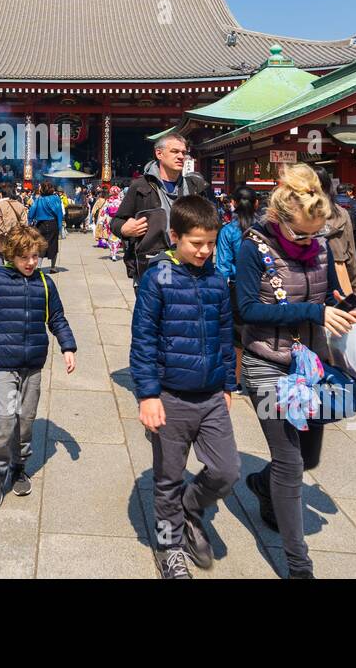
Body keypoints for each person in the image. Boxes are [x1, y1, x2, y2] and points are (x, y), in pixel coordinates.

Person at [236, 164, 356, 579]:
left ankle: (260, 484)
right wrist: (314, 311)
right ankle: (297, 563)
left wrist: (346, 308)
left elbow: (330, 294)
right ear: (280, 219)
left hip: (313, 363)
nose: (311, 240)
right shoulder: (253, 247)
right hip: (267, 363)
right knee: (289, 460)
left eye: (317, 231)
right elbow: (248, 309)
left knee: (309, 458)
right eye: (302, 233)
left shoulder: (321, 246)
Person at [132, 195, 240, 579]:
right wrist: (147, 394)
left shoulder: (215, 277)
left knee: (227, 470)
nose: (205, 250)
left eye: (211, 242)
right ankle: (169, 546)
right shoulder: (156, 279)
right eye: (196, 243)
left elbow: (225, 334)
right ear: (174, 236)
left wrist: (228, 382)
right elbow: (143, 340)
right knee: (167, 480)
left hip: (211, 394)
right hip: (171, 396)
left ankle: (191, 507)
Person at [0, 225, 75, 511]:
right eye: (25, 257)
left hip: (33, 364)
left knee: (27, 418)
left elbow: (56, 317)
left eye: (35, 256)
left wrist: (68, 346)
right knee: (6, 418)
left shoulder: (45, 284)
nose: (31, 262)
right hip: (5, 365)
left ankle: (19, 466)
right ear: (11, 256)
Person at [111, 134, 209, 284]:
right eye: (175, 151)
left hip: (190, 261)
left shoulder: (195, 187)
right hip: (155, 261)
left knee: (184, 305)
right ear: (159, 154)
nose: (181, 156)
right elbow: (116, 221)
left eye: (183, 152)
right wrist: (125, 229)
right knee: (156, 304)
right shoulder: (141, 186)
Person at [313, 167, 356, 289]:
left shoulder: (295, 216)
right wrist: (353, 284)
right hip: (338, 271)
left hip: (306, 274)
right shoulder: (342, 213)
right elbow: (351, 251)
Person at [26, 182, 64, 273]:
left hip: (40, 225)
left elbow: (31, 212)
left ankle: (38, 267)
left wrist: (29, 222)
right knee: (53, 246)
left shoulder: (39, 199)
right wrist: (59, 227)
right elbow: (59, 213)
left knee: (40, 246)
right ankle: (53, 267)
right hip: (52, 224)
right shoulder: (56, 198)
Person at [0, 183, 28, 271]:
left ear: (2, 194)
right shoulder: (20, 205)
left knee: (0, 254)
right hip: (16, 235)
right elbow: (24, 223)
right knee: (14, 255)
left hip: (2, 236)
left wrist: (5, 232)